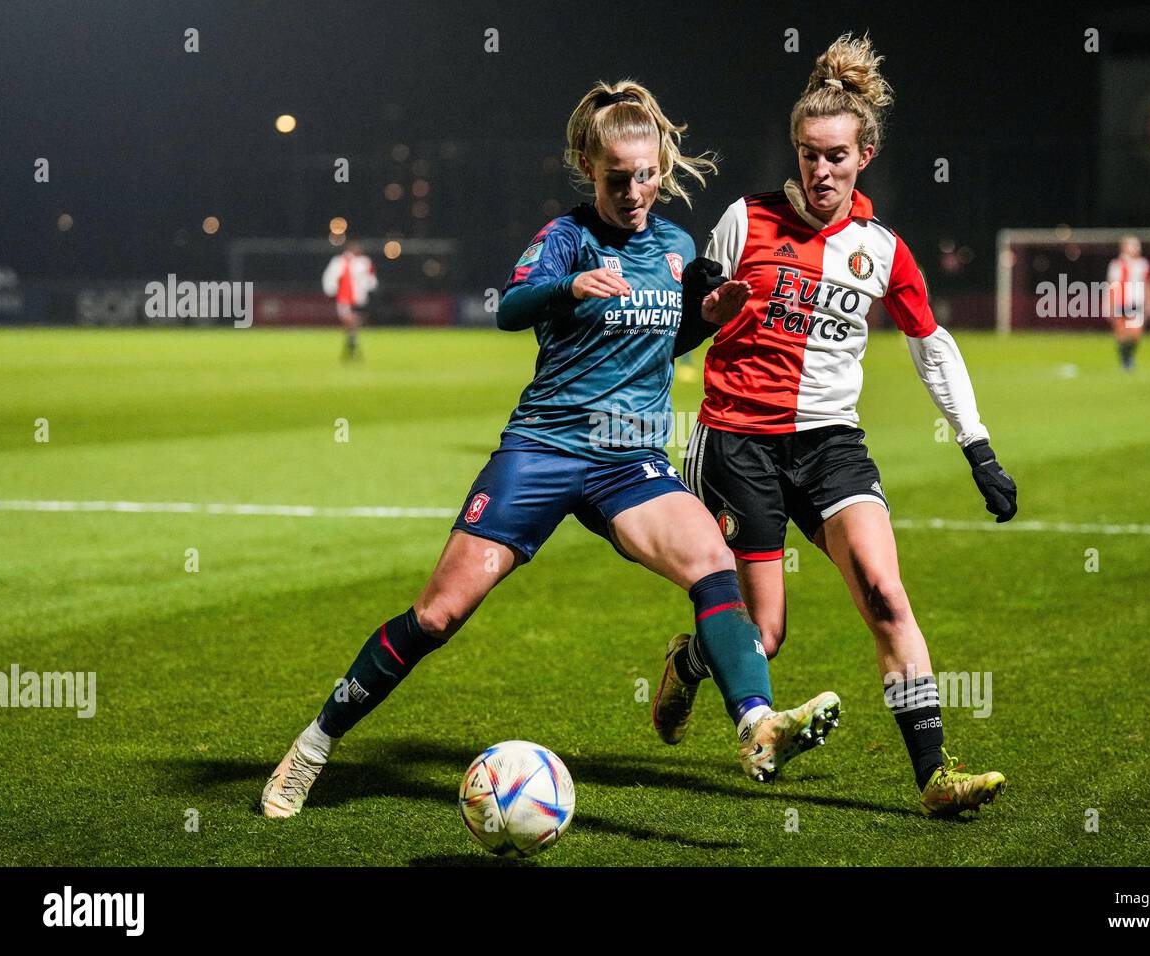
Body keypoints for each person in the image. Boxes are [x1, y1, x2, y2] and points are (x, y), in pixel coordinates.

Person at [262, 80, 842, 819]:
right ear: (587, 170)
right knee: (438, 615)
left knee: (712, 563)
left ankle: (757, 725)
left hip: (630, 455)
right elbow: (509, 309)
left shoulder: (676, 246)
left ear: (662, 166)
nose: (634, 191)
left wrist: (709, 316)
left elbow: (668, 338)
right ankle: (312, 747)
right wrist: (568, 287)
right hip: (544, 447)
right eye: (616, 178)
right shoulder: (565, 237)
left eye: (646, 174)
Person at [651, 34, 1013, 817]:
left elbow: (931, 346)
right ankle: (692, 661)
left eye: (837, 156)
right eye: (809, 155)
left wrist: (977, 447)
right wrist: (700, 317)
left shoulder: (881, 249)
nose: (821, 171)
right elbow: (685, 325)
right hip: (738, 442)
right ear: (796, 153)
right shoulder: (745, 223)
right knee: (767, 634)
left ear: (866, 154)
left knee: (885, 594)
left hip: (831, 445)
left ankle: (934, 776)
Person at [1105, 235, 1150, 371]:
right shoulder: (1116, 264)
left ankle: (1129, 355)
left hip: (1136, 300)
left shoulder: (1143, 264)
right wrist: (1108, 304)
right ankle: (1125, 360)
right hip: (1120, 301)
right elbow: (1111, 285)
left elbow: (1148, 284)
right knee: (1121, 332)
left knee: (1135, 333)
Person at [321, 240, 378, 360]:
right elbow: (330, 277)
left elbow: (371, 280)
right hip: (344, 297)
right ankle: (352, 342)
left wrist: (366, 286)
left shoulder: (364, 262)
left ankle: (352, 342)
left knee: (353, 320)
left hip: (358, 298)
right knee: (350, 321)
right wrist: (331, 290)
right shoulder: (339, 261)